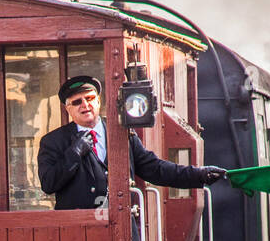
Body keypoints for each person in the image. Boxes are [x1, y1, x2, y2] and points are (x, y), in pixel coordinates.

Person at [37, 75, 228, 211]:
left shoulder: (121, 132)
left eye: (89, 98)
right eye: (77, 102)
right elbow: (48, 184)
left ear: (98, 101)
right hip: (80, 235)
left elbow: (154, 169)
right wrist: (74, 153)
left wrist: (199, 175)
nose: (85, 105)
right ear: (67, 109)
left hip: (123, 230)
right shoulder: (53, 142)